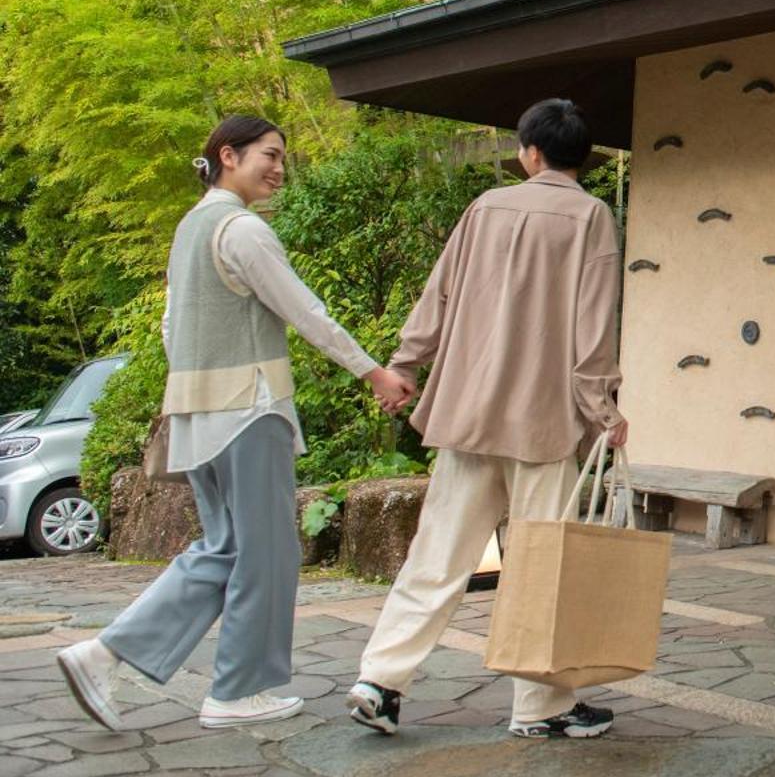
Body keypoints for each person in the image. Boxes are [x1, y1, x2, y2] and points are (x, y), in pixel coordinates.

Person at [56, 117, 413, 731]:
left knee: (225, 548)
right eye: (269, 155)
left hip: (195, 413)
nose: (279, 168)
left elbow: (172, 329)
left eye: (282, 157)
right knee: (267, 554)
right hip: (250, 410)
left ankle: (104, 653)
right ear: (229, 155)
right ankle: (238, 691)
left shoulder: (191, 227)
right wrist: (372, 371)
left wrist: (194, 386)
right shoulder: (242, 230)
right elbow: (304, 310)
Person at [347, 97, 627, 740]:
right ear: (581, 158)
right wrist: (604, 412)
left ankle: (381, 682)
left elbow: (437, 295)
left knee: (438, 553)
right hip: (543, 421)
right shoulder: (590, 217)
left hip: (468, 412)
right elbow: (593, 333)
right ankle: (541, 709)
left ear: (529, 152)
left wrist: (406, 365)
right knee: (541, 565)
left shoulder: (483, 209)